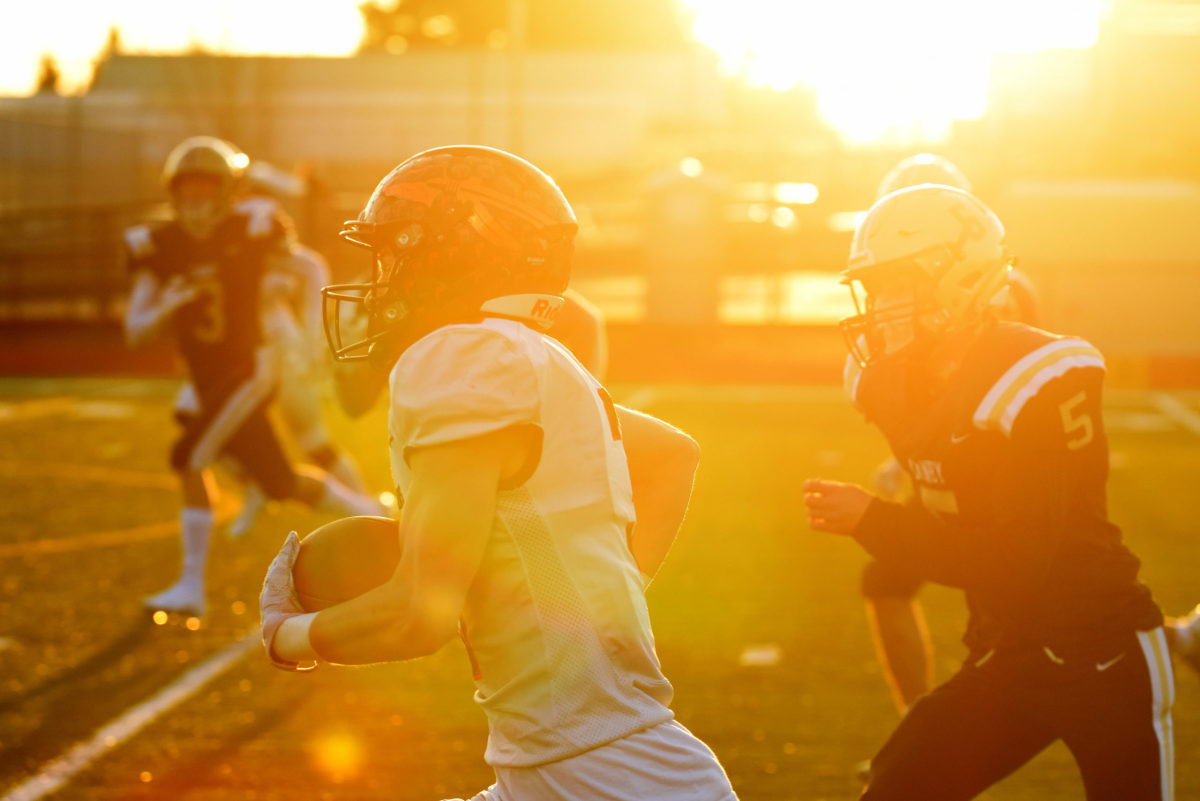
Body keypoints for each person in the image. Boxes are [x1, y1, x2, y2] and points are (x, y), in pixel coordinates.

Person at [260, 145, 738, 801]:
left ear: (451, 253)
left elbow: (415, 617)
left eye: (395, 250)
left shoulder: (460, 356)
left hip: (598, 778)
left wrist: (287, 634)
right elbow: (670, 456)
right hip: (577, 770)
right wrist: (590, 602)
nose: (381, 275)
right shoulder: (535, 358)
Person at [805, 184, 1182, 799]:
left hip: (1103, 652)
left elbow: (1017, 558)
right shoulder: (884, 379)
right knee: (897, 785)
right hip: (1010, 652)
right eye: (876, 288)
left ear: (960, 279)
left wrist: (876, 520)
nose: (882, 305)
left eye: (899, 284)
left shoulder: (1038, 377)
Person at [124, 135, 382, 618]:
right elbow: (135, 331)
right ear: (173, 194)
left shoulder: (252, 228)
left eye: (208, 192)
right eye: (188, 193)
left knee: (189, 455)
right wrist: (168, 305)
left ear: (228, 194)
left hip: (250, 369)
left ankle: (190, 587)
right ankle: (374, 514)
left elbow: (307, 266)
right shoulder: (157, 244)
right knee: (282, 480)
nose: (197, 204)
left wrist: (310, 335)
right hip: (207, 378)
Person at [857, 153, 1043, 715]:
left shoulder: (996, 291)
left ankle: (1163, 638)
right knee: (890, 582)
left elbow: (985, 388)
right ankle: (925, 724)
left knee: (1037, 601)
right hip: (948, 460)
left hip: (991, 469)